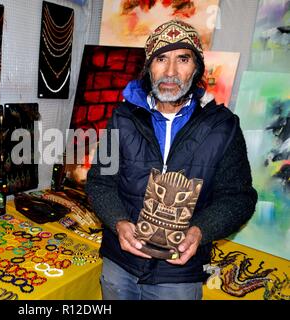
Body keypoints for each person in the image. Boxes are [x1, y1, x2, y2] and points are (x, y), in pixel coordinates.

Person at [85, 19, 258, 300]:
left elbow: (239, 197)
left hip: (178, 274)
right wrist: (118, 221)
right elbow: (99, 182)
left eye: (183, 59)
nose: (170, 71)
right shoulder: (123, 118)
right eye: (161, 59)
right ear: (148, 67)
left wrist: (201, 231)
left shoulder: (222, 127)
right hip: (120, 263)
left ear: (197, 67)